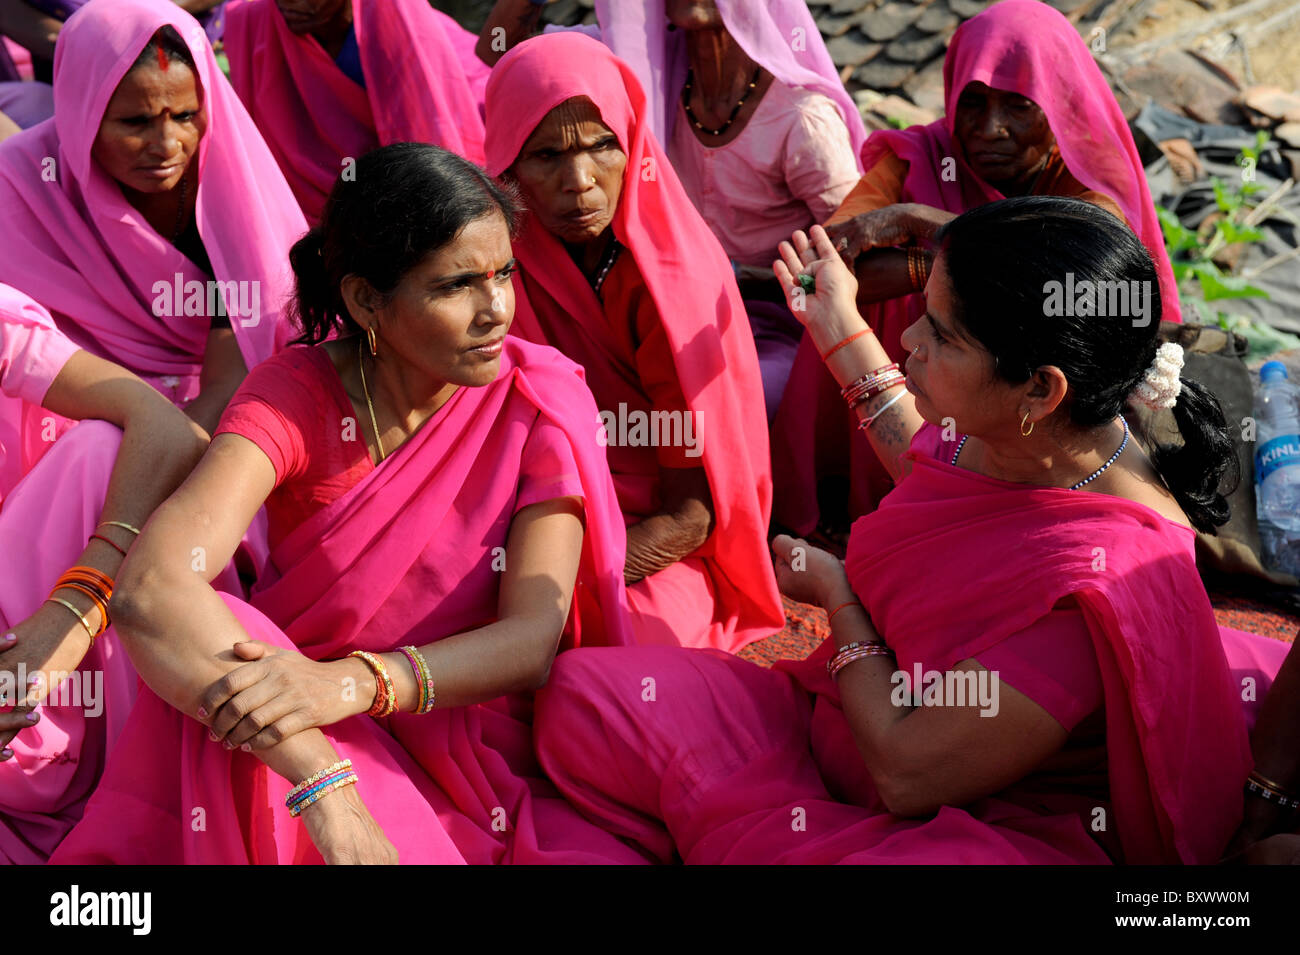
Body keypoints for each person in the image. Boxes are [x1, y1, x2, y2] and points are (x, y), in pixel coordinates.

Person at [532, 198, 1252, 865]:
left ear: (1040, 387)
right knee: (581, 695)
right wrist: (834, 319)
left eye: (939, 333)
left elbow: (909, 770)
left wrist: (836, 595)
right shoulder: (1044, 435)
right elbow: (925, 460)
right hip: (839, 724)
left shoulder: (1100, 576)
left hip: (982, 818)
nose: (907, 339)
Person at [52, 142, 644, 865]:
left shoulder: (536, 398)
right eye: (457, 284)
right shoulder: (299, 392)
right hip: (299, 724)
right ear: (367, 300)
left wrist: (354, 683)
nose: (496, 309)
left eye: (505, 274)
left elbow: (531, 641)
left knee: (248, 691)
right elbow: (149, 585)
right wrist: (324, 781)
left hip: (455, 728)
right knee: (232, 653)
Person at [771, 0, 1182, 537]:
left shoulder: (1084, 170)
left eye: (1017, 106)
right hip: (910, 396)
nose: (991, 129)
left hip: (1042, 426)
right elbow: (822, 270)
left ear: (1054, 104)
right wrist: (935, 265)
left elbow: (1084, 279)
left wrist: (925, 227)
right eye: (974, 103)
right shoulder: (920, 154)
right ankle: (882, 493)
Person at [483, 32, 783, 653]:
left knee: (591, 649)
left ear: (635, 144)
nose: (580, 181)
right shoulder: (491, 263)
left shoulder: (670, 290)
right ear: (506, 166)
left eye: (602, 146)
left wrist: (569, 579)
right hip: (519, 517)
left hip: (652, 539)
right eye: (545, 156)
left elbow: (692, 517)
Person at [478, 0, 863, 419]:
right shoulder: (639, 62)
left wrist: (738, 282)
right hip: (653, 318)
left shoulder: (801, 118)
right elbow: (504, 58)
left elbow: (851, 256)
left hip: (771, 330)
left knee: (713, 409)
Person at [0, 0, 304, 441]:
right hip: (54, 417)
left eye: (184, 116)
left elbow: (238, 365)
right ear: (77, 110)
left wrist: (154, 453)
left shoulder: (225, 189)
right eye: (136, 121)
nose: (166, 144)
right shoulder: (19, 181)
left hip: (207, 420)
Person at [0, 283, 208, 863]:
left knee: (101, 449)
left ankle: (133, 788)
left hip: (47, 614)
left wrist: (74, 609)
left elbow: (169, 430)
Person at [224, 0, 490, 224]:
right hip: (324, 203)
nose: (291, 2)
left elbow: (429, 146)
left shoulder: (396, 22)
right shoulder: (255, 22)